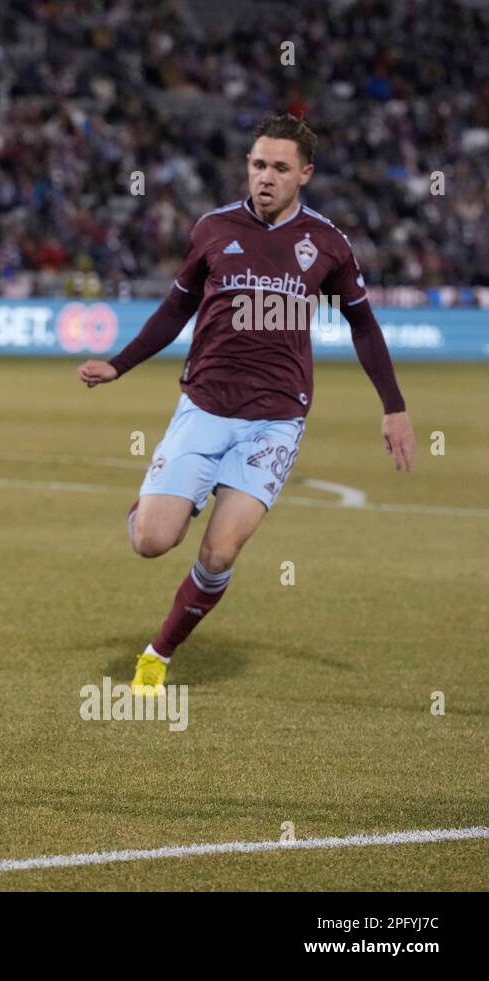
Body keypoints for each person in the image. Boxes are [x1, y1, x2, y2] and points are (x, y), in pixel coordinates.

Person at [77, 113, 415, 694]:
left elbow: (363, 325)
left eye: (280, 168)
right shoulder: (212, 230)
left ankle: (159, 653)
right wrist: (120, 363)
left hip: (276, 421)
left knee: (221, 549)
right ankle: (161, 502)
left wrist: (394, 405)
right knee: (152, 542)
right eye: (259, 164)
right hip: (205, 408)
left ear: (303, 174)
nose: (266, 177)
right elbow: (176, 307)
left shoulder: (328, 244)